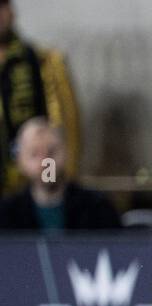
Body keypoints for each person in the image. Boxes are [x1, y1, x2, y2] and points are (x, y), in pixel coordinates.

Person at [0, 0, 80, 194]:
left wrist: (53, 182)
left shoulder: (43, 62)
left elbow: (62, 128)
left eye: (2, 6)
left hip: (34, 182)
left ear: (11, 11)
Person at [0, 117, 117, 230]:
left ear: (66, 152)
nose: (45, 162)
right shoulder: (6, 213)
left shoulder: (97, 207)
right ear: (20, 161)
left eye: (51, 152)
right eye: (34, 154)